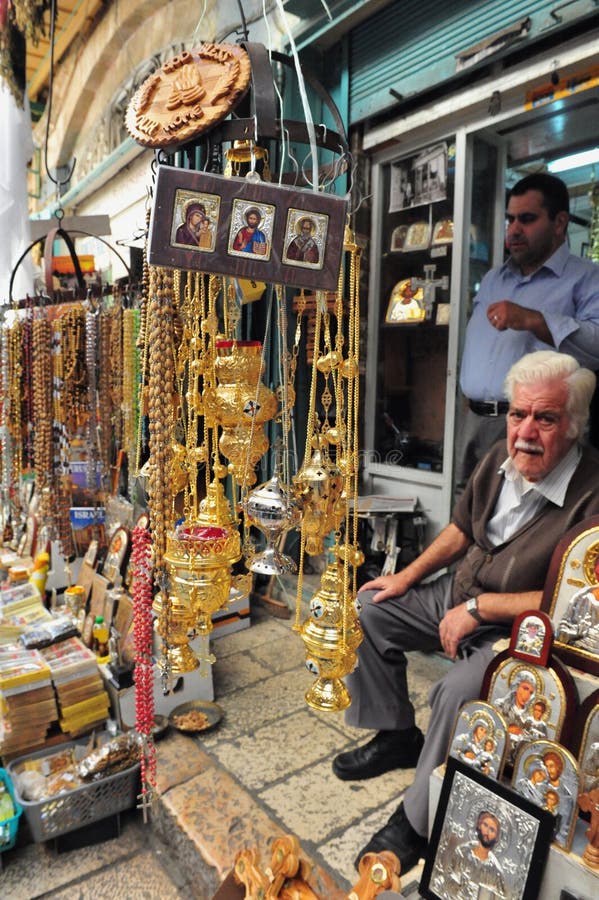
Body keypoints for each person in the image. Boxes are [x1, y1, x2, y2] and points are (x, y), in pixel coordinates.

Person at [332, 350, 599, 875]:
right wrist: (406, 577)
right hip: (460, 592)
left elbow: (577, 600)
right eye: (518, 414)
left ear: (574, 425)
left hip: (524, 630)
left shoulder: (592, 494)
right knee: (368, 608)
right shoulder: (499, 455)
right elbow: (460, 528)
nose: (525, 431)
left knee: (455, 691)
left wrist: (480, 609)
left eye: (545, 418)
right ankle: (395, 734)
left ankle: (415, 822)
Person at [457, 172, 599, 489]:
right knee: (467, 514)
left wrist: (535, 320)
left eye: (527, 219)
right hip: (474, 421)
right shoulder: (495, 279)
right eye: (510, 220)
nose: (514, 230)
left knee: (523, 520)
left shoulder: (586, 279)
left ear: (560, 223)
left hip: (532, 426)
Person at [443, 810, 506, 899]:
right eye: (485, 825)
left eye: (492, 830)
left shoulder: (496, 872)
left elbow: (499, 897)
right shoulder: (462, 852)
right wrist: (459, 883)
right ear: (479, 825)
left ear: (497, 837)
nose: (487, 832)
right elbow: (446, 876)